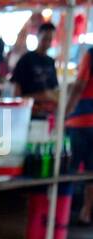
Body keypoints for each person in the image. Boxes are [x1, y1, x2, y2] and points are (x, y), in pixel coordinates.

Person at [67, 45, 93, 224]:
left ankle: (63, 208)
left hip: (81, 118)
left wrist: (66, 112)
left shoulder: (90, 55)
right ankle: (86, 211)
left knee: (70, 167)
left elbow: (79, 85)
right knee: (91, 170)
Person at [12, 21, 59, 108]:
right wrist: (40, 96)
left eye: (50, 39)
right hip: (29, 111)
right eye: (45, 38)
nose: (47, 43)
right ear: (38, 36)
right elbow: (17, 94)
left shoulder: (51, 61)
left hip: (47, 113)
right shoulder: (26, 60)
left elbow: (54, 90)